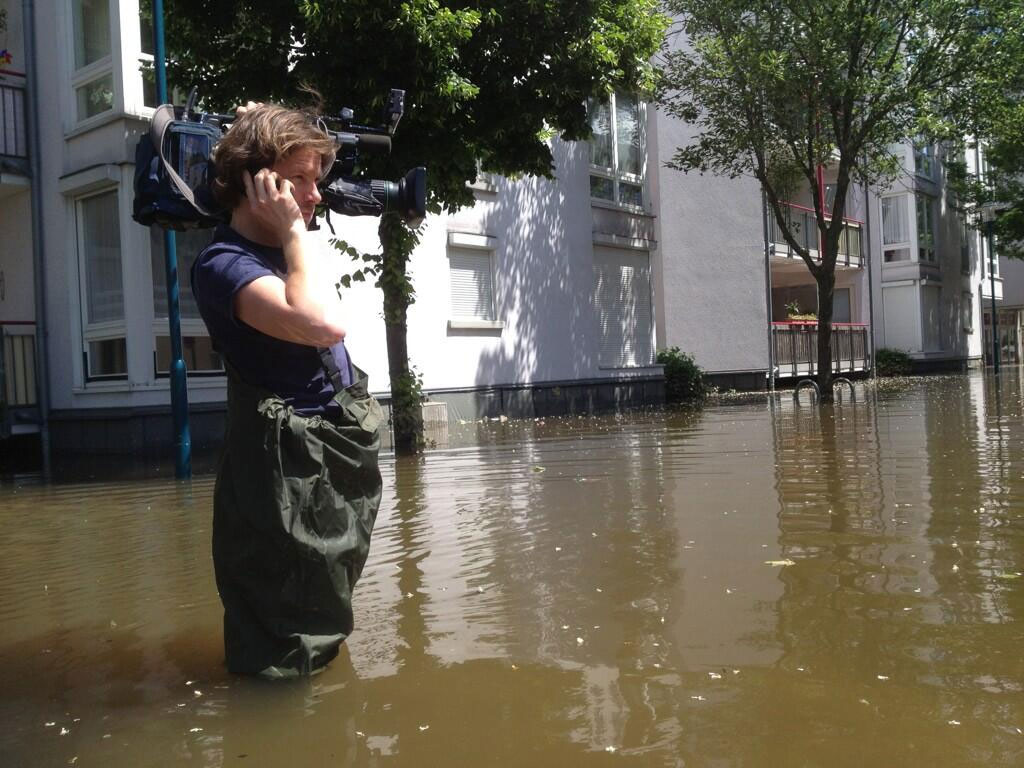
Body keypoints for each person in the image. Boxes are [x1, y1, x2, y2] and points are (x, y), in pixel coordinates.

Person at [191, 102, 384, 678]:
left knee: (323, 597)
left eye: (314, 179)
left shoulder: (282, 254)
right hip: (288, 477)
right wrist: (296, 232)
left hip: (325, 458)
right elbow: (322, 326)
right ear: (256, 180)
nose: (314, 195)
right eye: (299, 179)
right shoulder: (224, 265)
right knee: (288, 625)